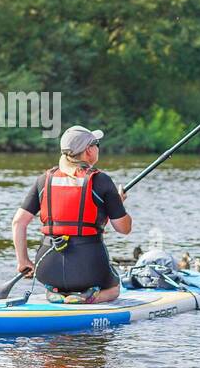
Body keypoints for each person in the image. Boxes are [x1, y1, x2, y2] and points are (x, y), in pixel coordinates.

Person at [12, 125, 132, 304]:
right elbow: (124, 228)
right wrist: (117, 203)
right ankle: (87, 297)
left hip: (47, 268)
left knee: (56, 281)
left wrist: (23, 261)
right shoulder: (101, 181)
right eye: (96, 144)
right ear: (89, 151)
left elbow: (18, 222)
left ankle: (55, 292)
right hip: (88, 268)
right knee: (114, 288)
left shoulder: (44, 180)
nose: (98, 148)